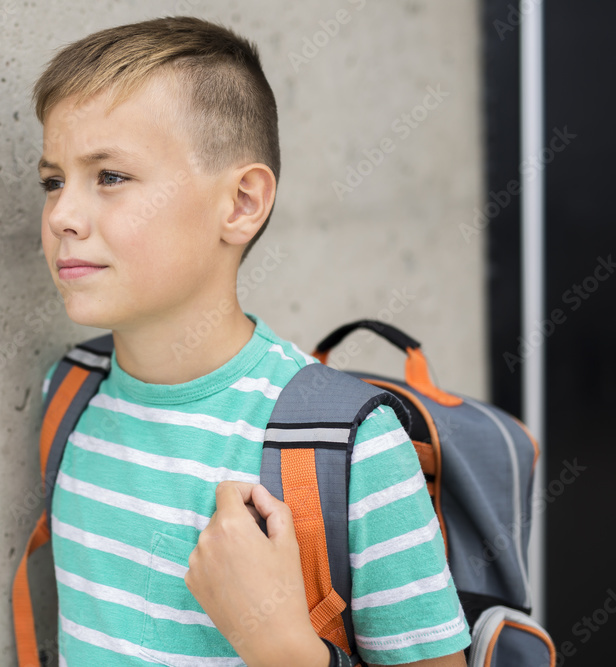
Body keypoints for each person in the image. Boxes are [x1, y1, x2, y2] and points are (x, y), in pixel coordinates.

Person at [31, 16, 469, 666]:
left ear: (241, 203)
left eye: (111, 177)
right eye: (52, 181)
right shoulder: (69, 394)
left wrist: (278, 645)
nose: (62, 216)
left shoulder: (353, 450)